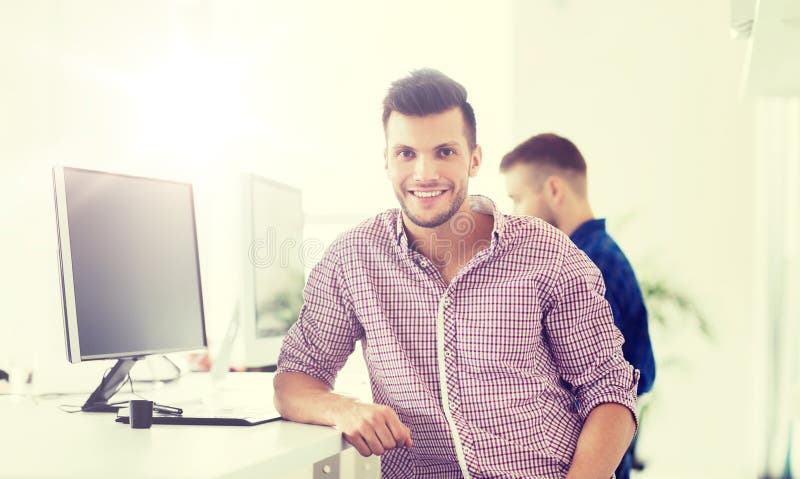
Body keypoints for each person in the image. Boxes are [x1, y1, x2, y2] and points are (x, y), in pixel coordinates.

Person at [274, 69, 639, 479]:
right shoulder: (353, 259)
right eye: (406, 153)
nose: (424, 173)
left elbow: (610, 391)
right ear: (387, 160)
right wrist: (343, 408)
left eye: (444, 152)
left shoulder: (547, 252)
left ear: (474, 159)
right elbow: (294, 379)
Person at [500, 133, 656, 479]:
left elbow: (604, 388)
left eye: (518, 199)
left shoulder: (585, 267)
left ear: (554, 190)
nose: (513, 215)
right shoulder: (599, 255)